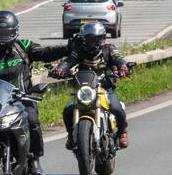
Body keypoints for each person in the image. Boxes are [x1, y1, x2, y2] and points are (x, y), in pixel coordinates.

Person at [0, 10, 68, 175]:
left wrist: (67, 48)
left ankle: (33, 157)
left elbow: (45, 53)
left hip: (21, 98)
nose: (1, 37)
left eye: (6, 33)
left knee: (32, 119)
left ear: (15, 32)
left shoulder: (24, 47)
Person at [52, 21, 130, 149]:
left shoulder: (109, 49)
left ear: (102, 39)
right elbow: (68, 61)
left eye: (95, 39)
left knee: (117, 108)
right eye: (89, 39)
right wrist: (60, 69)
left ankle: (122, 132)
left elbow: (117, 58)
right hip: (84, 90)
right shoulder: (78, 51)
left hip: (105, 88)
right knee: (68, 111)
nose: (92, 43)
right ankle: (71, 135)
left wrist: (123, 66)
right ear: (83, 40)